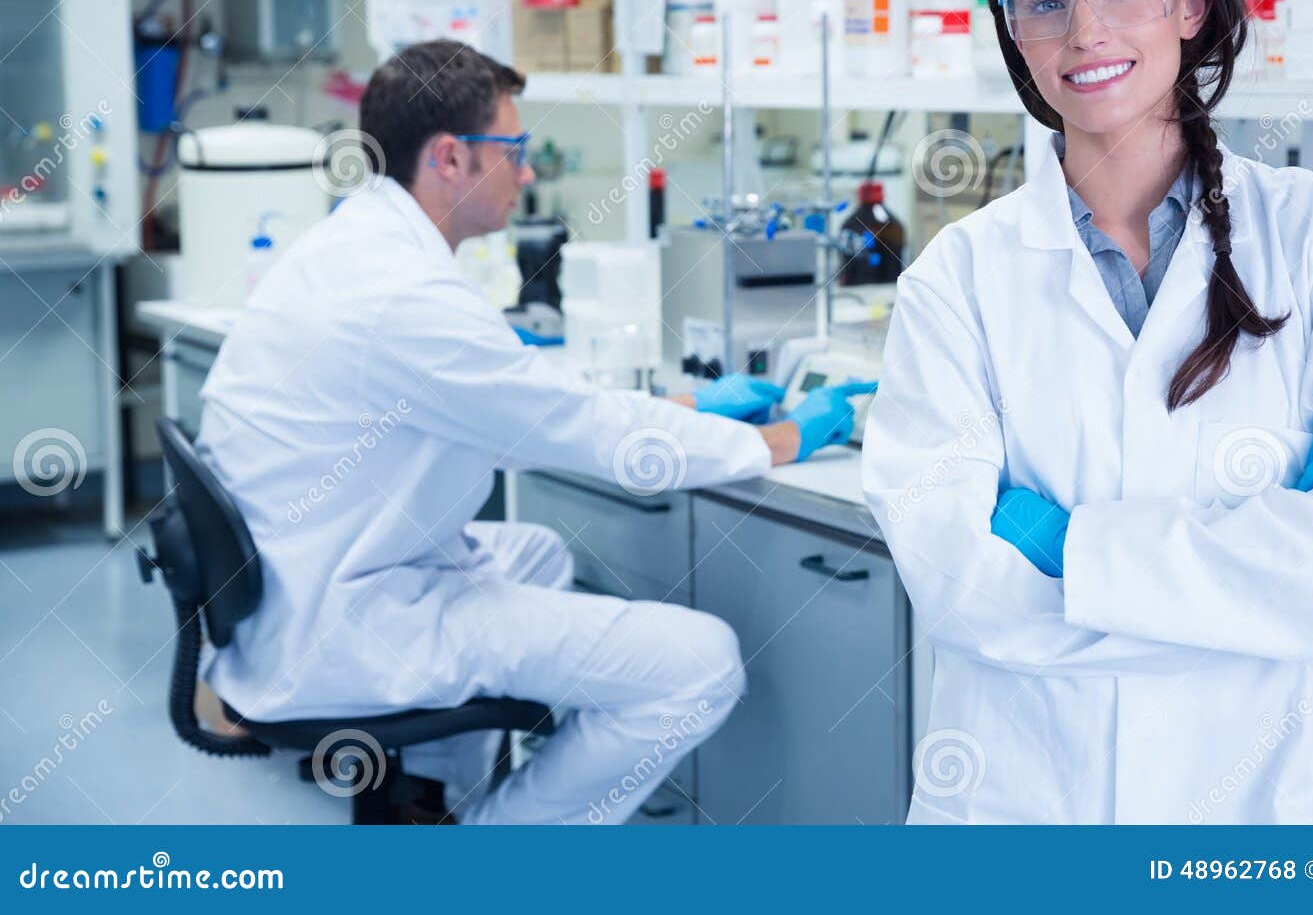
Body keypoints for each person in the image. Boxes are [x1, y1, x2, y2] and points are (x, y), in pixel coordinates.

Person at [860, 0, 1313, 824]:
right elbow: (964, 588)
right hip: (1030, 807)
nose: (1086, 31)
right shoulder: (956, 279)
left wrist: (1071, 554)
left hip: (1274, 805)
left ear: (1190, 6)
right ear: (1014, 32)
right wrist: (1273, 573)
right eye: (1044, 1)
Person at [195, 40, 870, 824]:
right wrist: (775, 442)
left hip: (300, 583)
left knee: (537, 551)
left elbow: (530, 400)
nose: (526, 172)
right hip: (339, 622)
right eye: (512, 151)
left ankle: (435, 800)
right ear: (450, 157)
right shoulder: (404, 295)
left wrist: (689, 409)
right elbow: (570, 423)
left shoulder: (356, 246)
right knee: (701, 663)